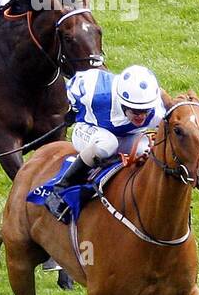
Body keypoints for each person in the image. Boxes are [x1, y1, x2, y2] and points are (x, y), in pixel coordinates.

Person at [43, 65, 165, 216]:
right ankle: (60, 189)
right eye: (135, 111)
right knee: (108, 144)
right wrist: (72, 111)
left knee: (146, 149)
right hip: (88, 130)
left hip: (125, 137)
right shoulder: (96, 92)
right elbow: (70, 88)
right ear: (121, 103)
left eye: (145, 111)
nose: (141, 116)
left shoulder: (158, 113)